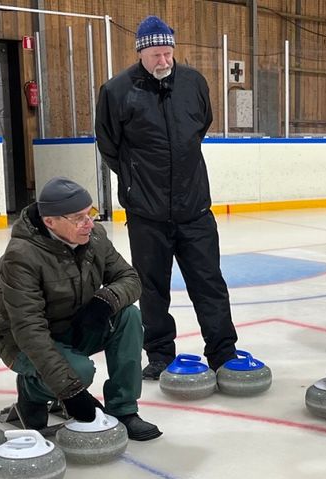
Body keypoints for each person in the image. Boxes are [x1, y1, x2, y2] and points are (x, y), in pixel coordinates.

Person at [95, 16, 238, 380]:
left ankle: (223, 352)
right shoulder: (116, 91)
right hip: (147, 213)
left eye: (169, 52)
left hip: (194, 209)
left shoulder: (193, 82)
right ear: (141, 53)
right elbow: (109, 145)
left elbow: (200, 126)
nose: (164, 61)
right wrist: (135, 181)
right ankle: (159, 354)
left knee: (209, 283)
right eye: (157, 54)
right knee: (152, 288)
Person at [0, 177, 161, 442]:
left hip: (75, 328)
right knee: (80, 372)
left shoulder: (95, 238)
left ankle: (124, 409)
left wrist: (105, 300)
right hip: (23, 343)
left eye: (90, 213)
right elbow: (29, 330)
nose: (90, 223)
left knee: (129, 315)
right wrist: (72, 393)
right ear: (50, 221)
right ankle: (31, 391)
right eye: (79, 218)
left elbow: (130, 279)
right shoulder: (21, 257)